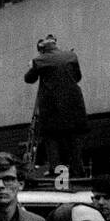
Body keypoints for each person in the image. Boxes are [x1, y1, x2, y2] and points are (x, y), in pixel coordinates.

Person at [25, 34, 88, 176]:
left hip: (52, 108)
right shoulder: (71, 56)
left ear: (42, 50)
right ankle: (78, 172)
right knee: (74, 139)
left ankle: (56, 172)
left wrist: (32, 66)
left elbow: (29, 79)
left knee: (51, 139)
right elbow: (77, 77)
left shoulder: (39, 60)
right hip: (74, 106)